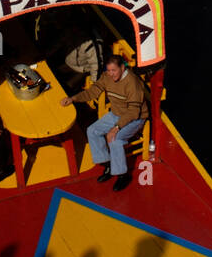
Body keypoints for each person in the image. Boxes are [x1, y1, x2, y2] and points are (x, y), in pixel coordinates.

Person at [60, 54, 147, 192]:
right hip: (116, 113)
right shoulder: (107, 77)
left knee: (115, 139)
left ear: (122, 67)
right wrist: (73, 98)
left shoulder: (132, 83)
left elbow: (133, 112)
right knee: (92, 130)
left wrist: (116, 128)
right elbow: (93, 92)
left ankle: (122, 175)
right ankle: (108, 164)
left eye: (114, 70)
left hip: (134, 118)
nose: (111, 74)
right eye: (109, 70)